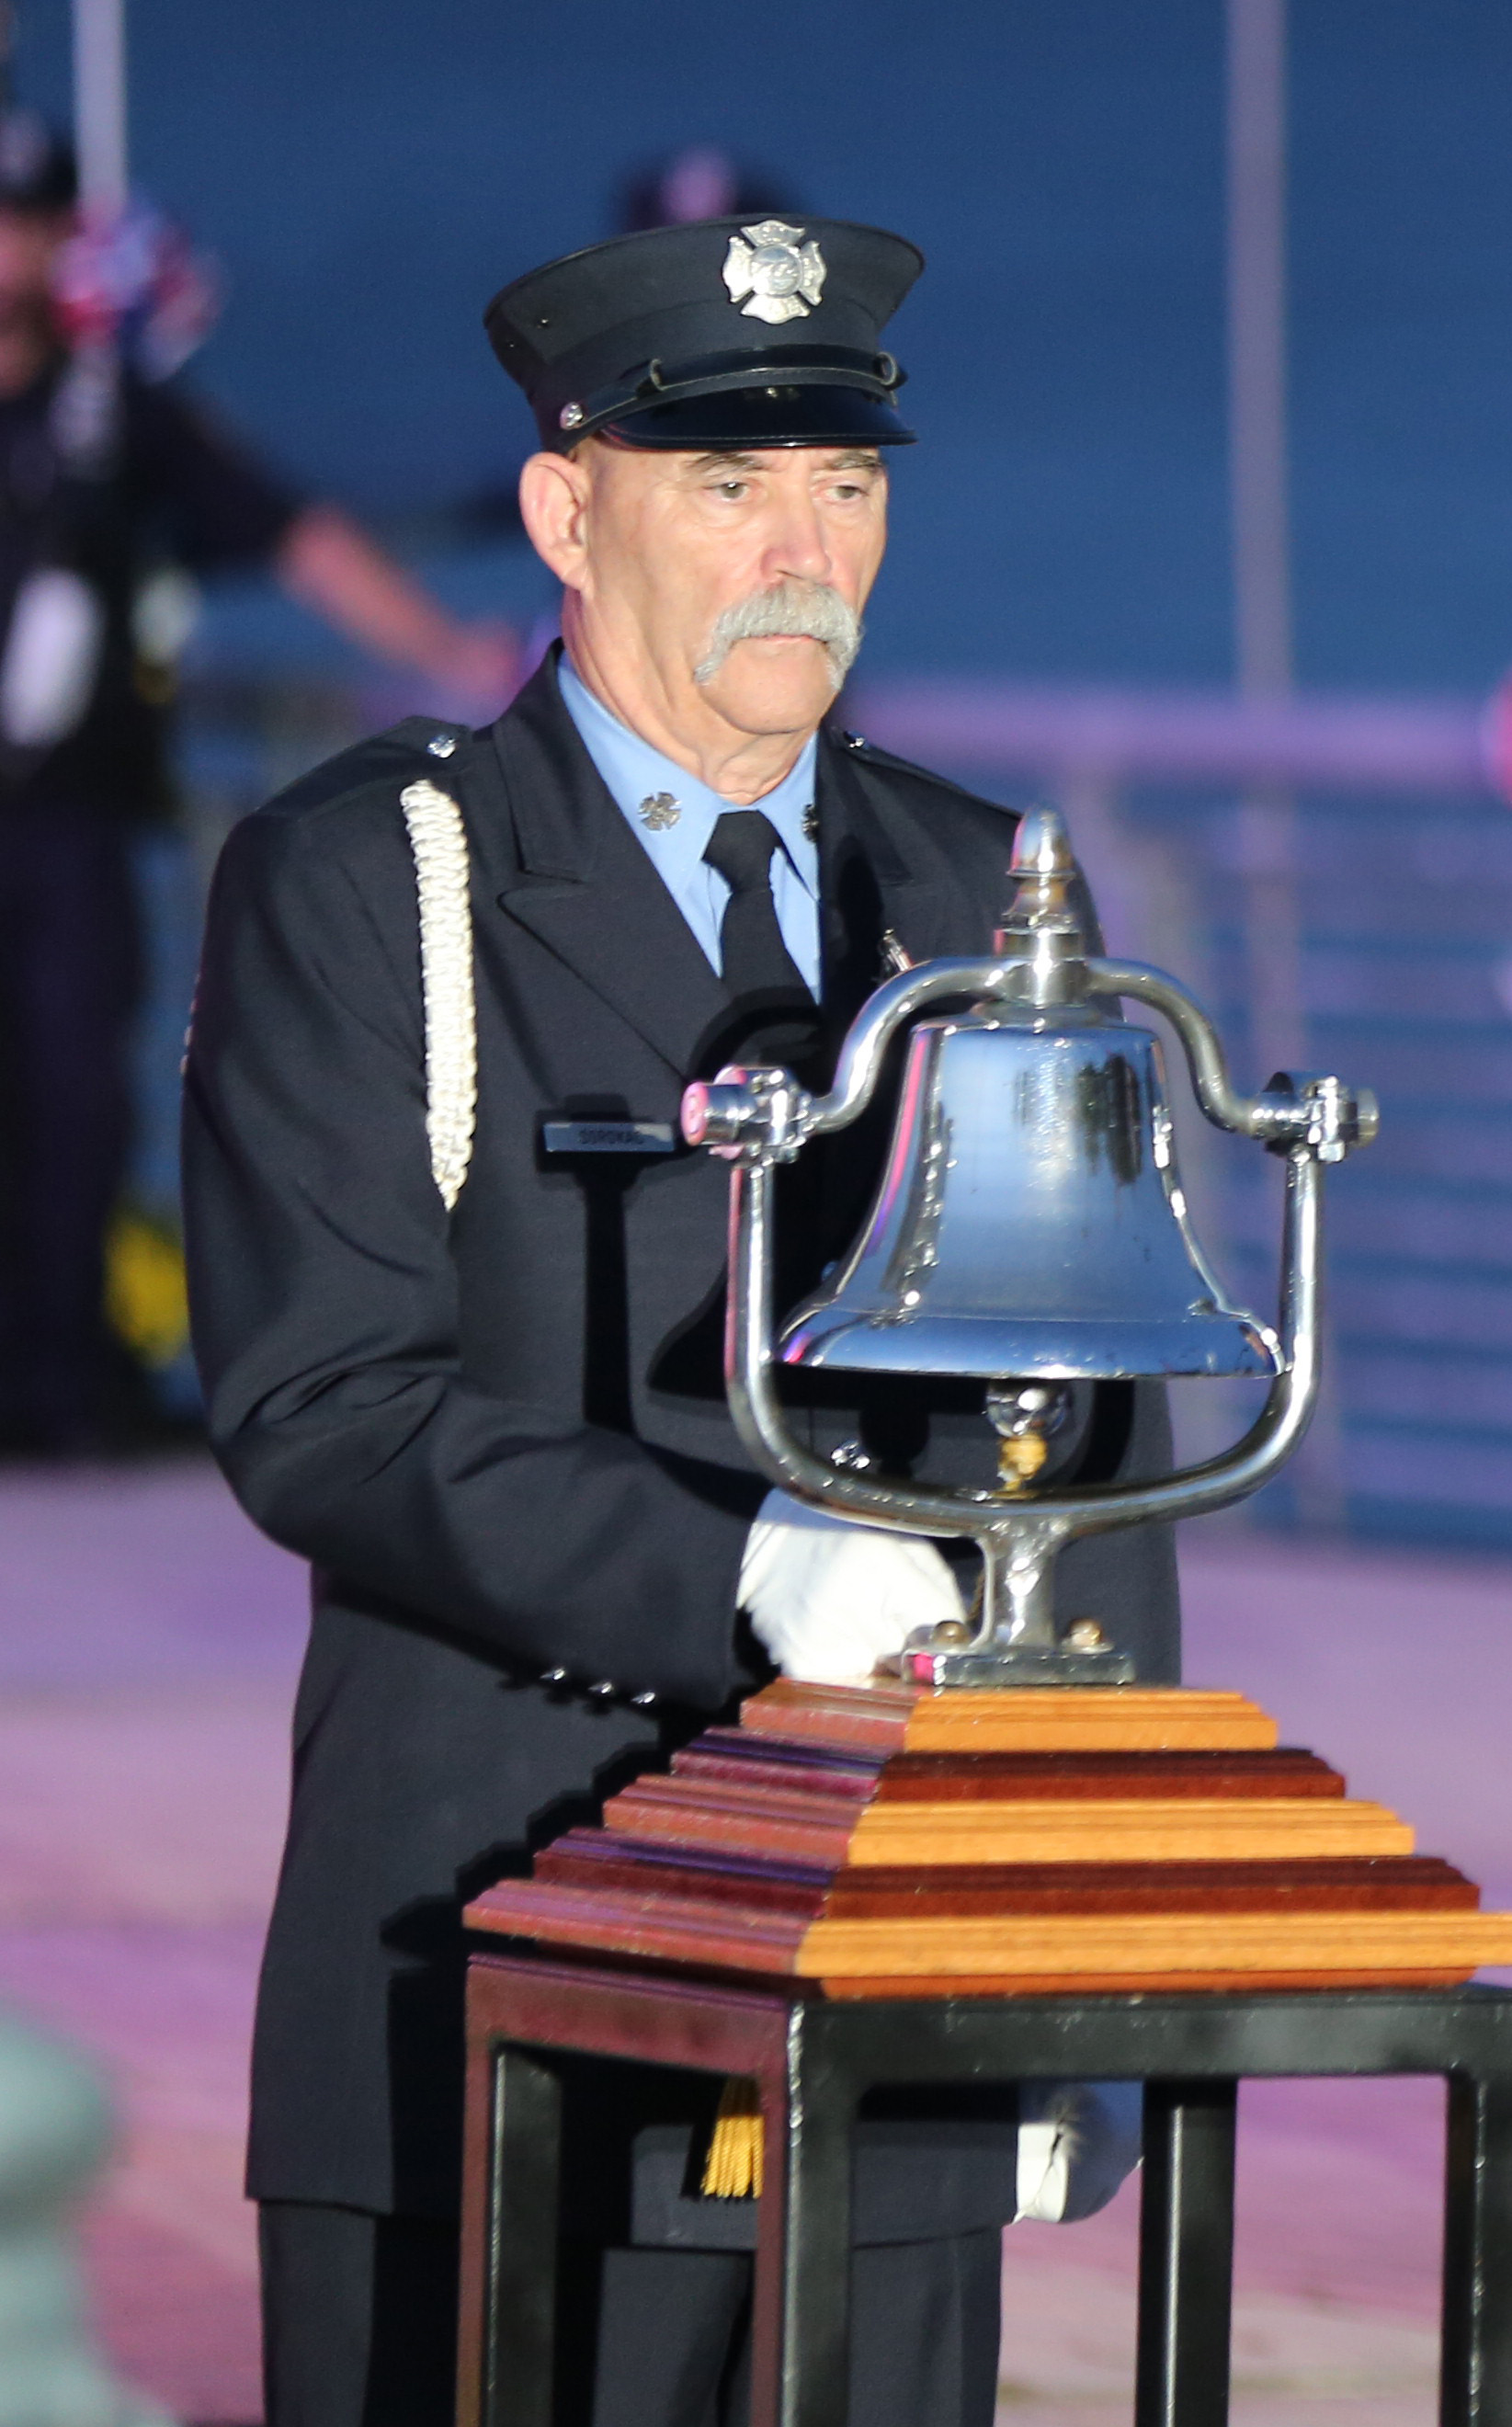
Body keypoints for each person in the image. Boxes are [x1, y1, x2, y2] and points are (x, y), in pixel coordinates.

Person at [183, 212, 1177, 2426]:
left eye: (847, 484)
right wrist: (745, 1572)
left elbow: (1087, 1443)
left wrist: (1075, 1960)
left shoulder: (977, 888)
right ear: (566, 515)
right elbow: (319, 1401)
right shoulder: (376, 880)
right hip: (496, 1953)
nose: (803, 552)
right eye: (728, 485)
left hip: (890, 1971)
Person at [0, 115, 513, 1457]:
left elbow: (294, 534)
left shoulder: (112, 416)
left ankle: (59, 1380)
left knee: (73, 1091)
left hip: (67, 817)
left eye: (26, 223)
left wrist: (451, 655)